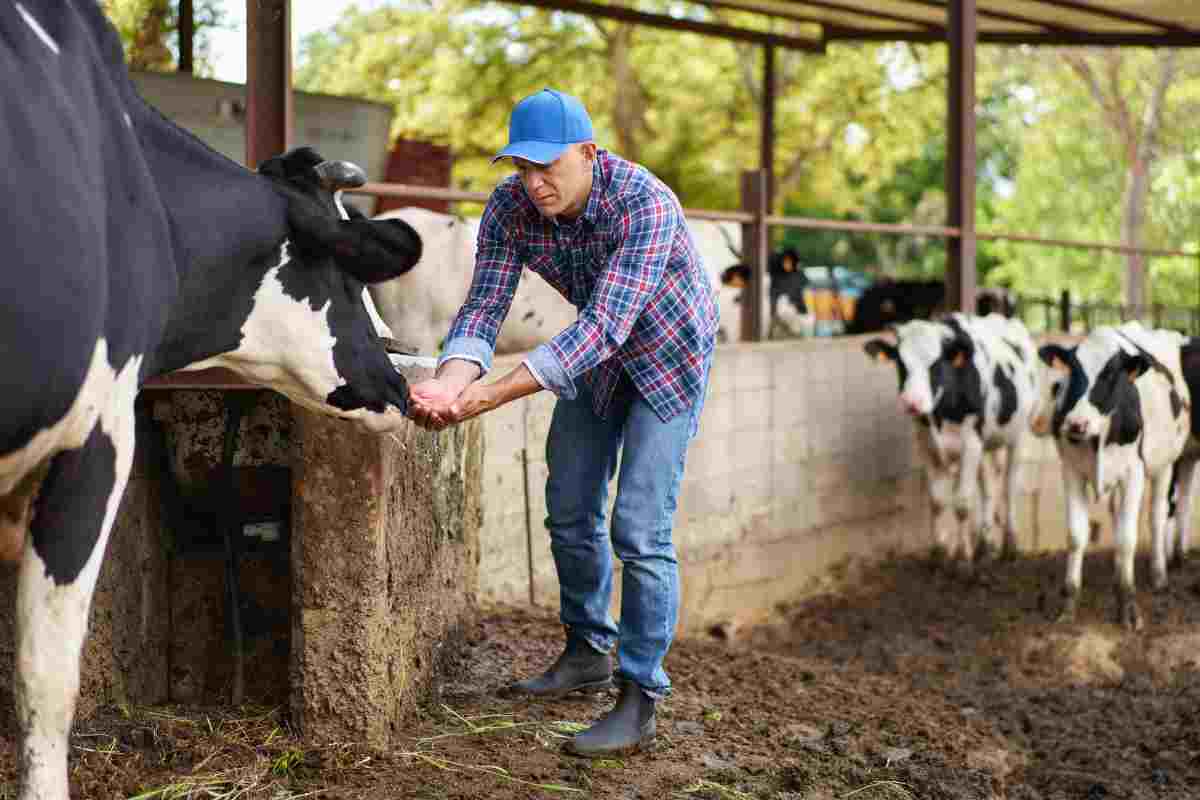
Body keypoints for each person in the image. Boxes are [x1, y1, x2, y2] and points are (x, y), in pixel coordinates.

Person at [407, 88, 718, 757]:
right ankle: (587, 649)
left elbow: (607, 323)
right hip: (593, 360)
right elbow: (485, 306)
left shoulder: (645, 202)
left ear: (589, 153)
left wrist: (489, 397)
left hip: (667, 359)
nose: (534, 181)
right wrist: (450, 380)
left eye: (548, 165)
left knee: (638, 525)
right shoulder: (510, 207)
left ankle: (639, 697)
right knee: (569, 506)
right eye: (522, 166)